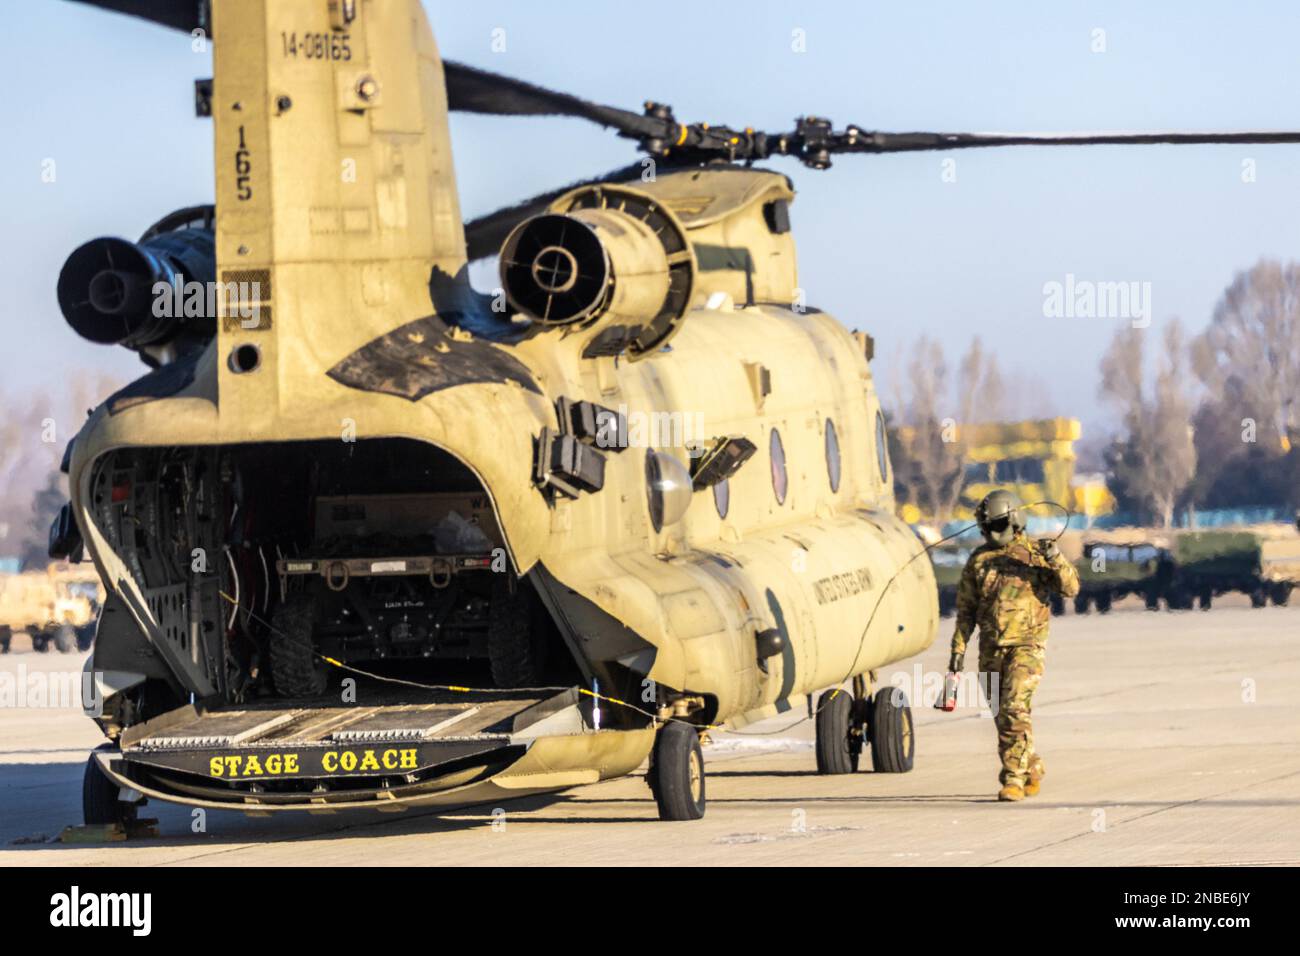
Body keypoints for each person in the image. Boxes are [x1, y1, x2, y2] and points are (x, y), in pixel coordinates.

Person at [943, 489, 1079, 802]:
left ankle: (1013, 778)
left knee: (1014, 708)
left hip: (1027, 648)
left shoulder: (1036, 555)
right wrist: (957, 651)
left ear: (1015, 521)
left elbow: (1071, 587)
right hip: (991, 651)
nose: (993, 531)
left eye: (999, 523)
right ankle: (1031, 764)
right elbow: (966, 611)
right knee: (1004, 718)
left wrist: (1055, 559)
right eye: (987, 525)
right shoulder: (978, 562)